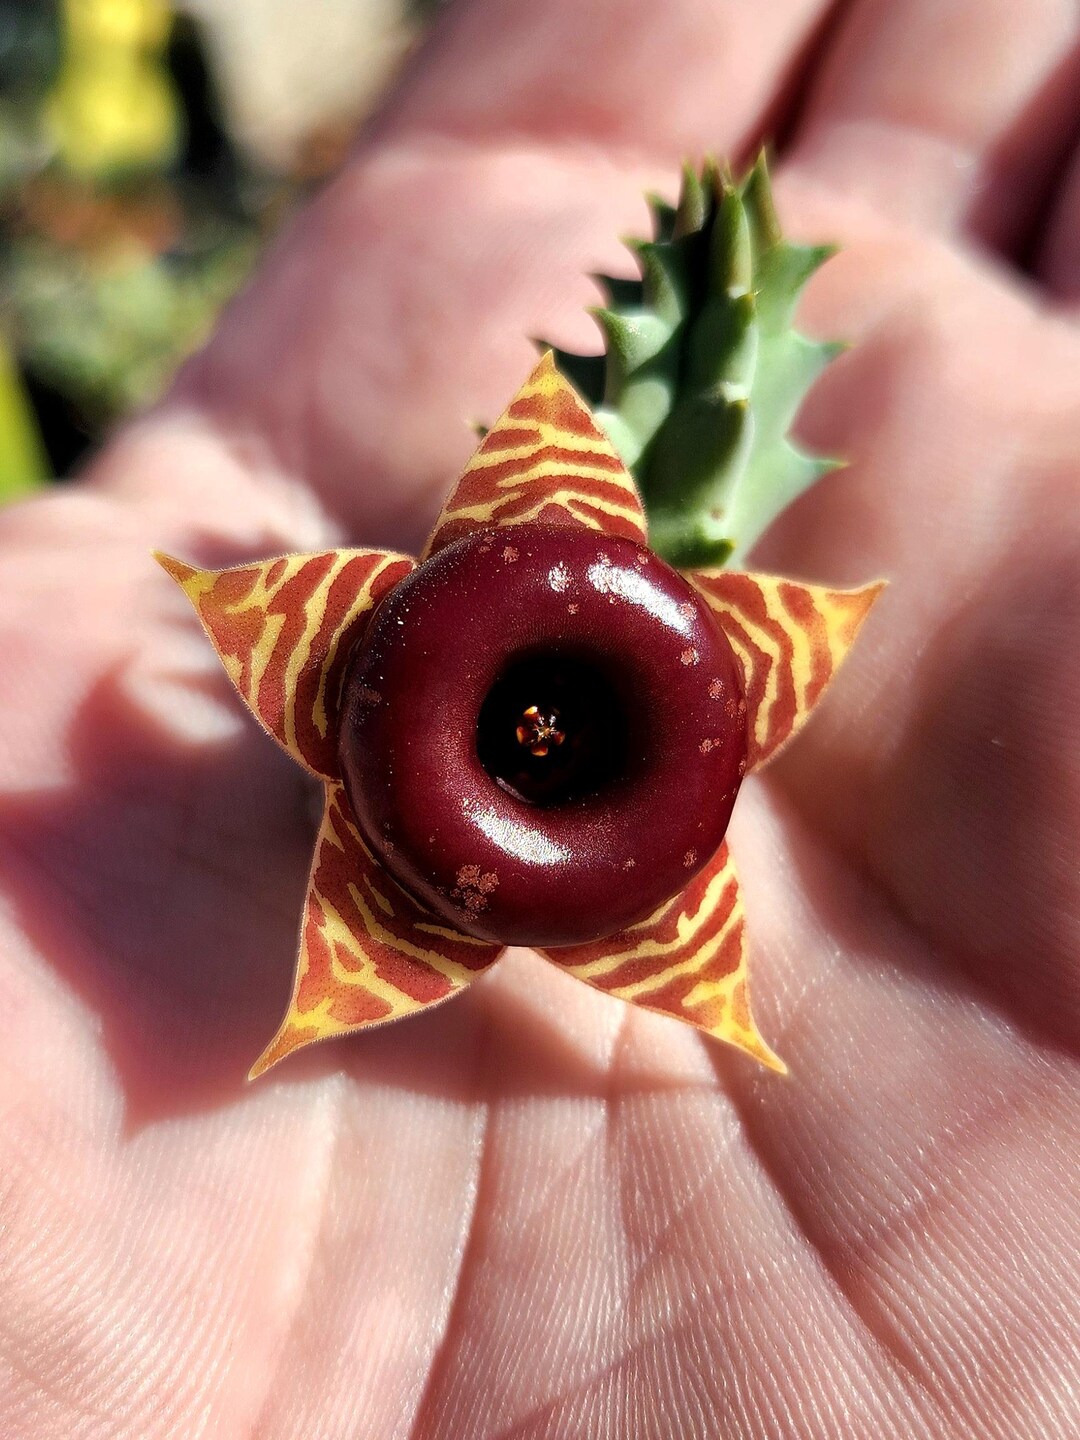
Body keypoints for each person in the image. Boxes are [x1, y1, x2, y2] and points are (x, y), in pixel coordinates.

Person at [1, 0, 1078, 1434]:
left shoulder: (510, 658)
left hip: (466, 743)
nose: (544, 744)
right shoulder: (541, 664)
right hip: (488, 745)